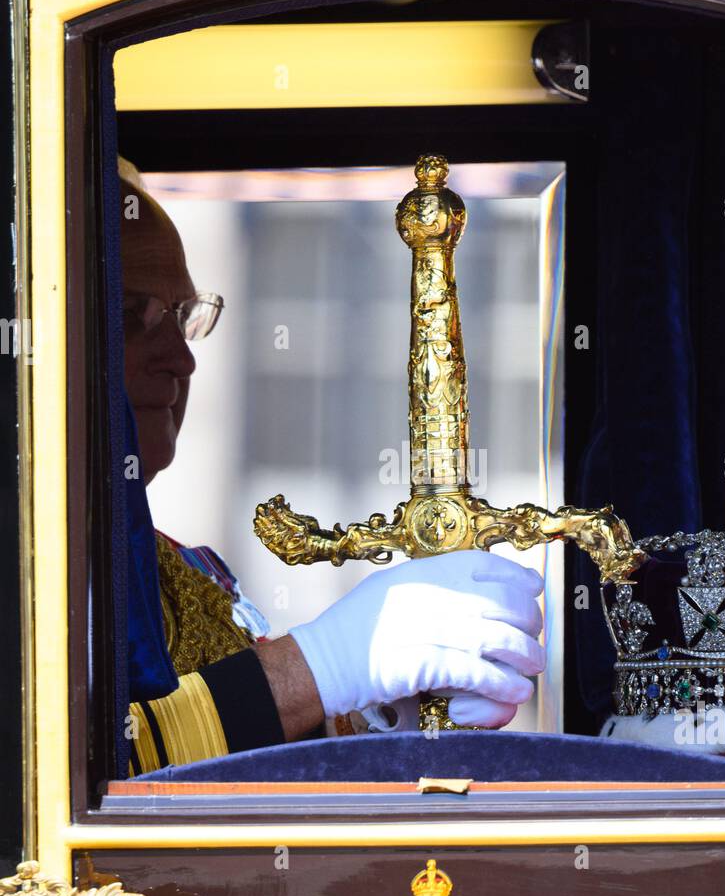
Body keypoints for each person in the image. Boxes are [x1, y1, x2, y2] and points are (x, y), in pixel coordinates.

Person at [119, 162, 546, 774]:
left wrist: (366, 713)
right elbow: (80, 771)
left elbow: (232, 753)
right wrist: (319, 667)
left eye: (185, 314)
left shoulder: (184, 572)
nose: (182, 361)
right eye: (137, 313)